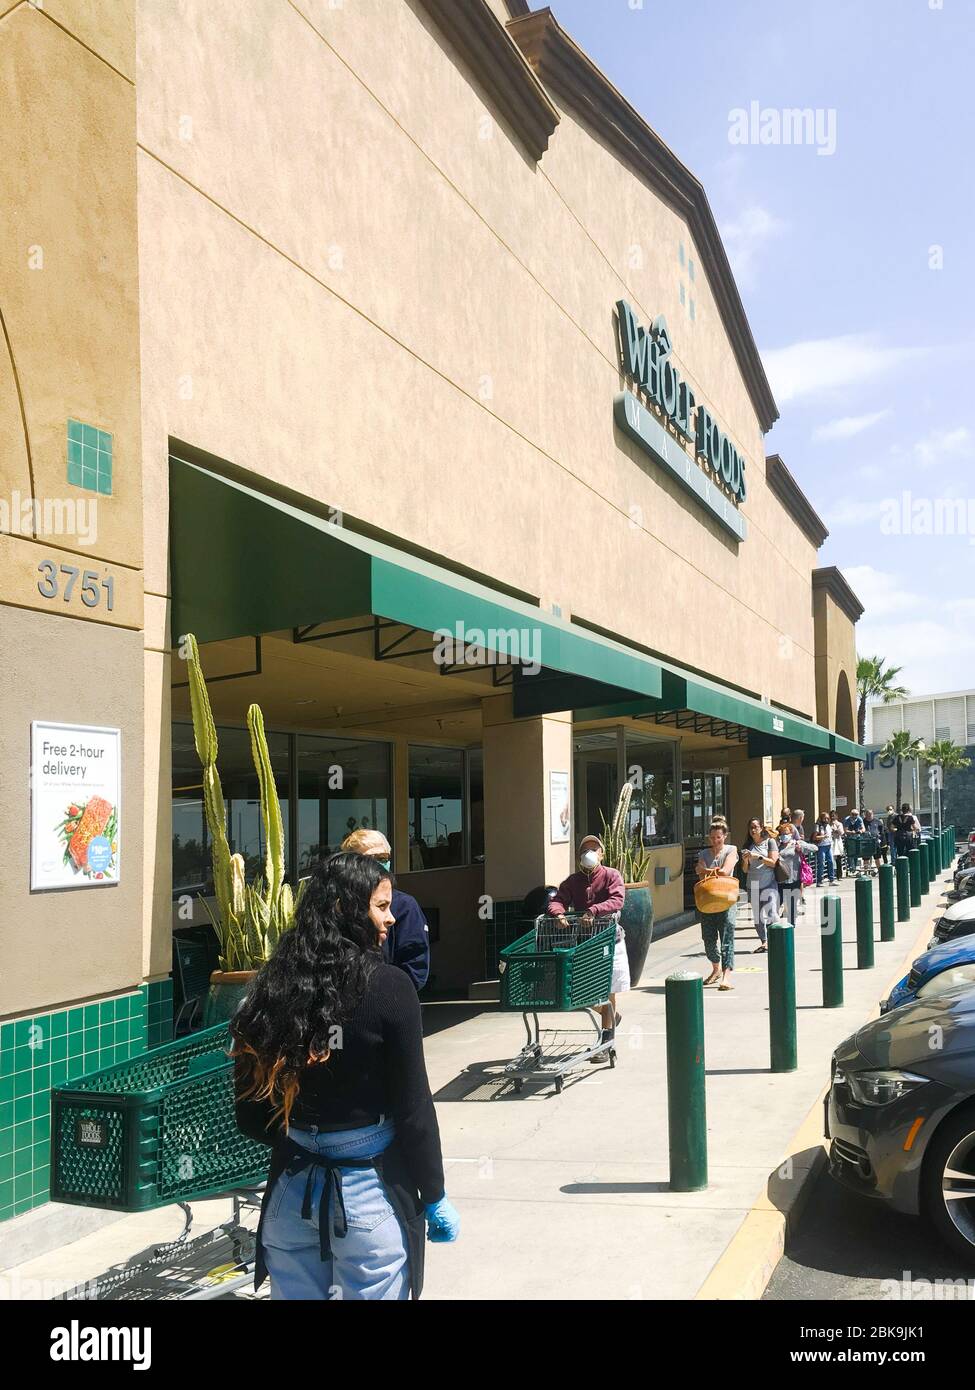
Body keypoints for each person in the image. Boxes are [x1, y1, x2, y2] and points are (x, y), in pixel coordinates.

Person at [231, 852, 458, 1300]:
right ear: (345, 909)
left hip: (291, 1192)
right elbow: (414, 1107)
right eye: (381, 906)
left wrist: (305, 1139)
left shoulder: (268, 988)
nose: (391, 918)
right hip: (367, 1195)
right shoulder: (391, 988)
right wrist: (433, 1193)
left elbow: (250, 1114)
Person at [547, 834, 627, 1061]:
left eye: (594, 849)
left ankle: (605, 1040)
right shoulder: (572, 881)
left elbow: (617, 900)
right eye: (584, 851)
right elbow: (557, 900)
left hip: (609, 940)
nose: (589, 854)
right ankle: (611, 1016)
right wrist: (558, 913)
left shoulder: (612, 876)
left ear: (602, 853)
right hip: (584, 942)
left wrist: (594, 910)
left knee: (607, 988)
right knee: (581, 991)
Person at [340, 829, 430, 991]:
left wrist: (387, 996)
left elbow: (415, 966)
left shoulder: (404, 906)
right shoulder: (335, 905)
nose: (389, 919)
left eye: (382, 858)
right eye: (367, 860)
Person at [696, 820, 739, 989]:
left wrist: (706, 870)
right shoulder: (703, 853)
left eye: (719, 837)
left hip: (727, 898)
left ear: (725, 836)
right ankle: (716, 969)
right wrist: (705, 871)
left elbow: (724, 871)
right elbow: (700, 877)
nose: (715, 840)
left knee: (727, 937)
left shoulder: (731, 849)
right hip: (707, 900)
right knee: (708, 938)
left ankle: (726, 976)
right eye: (712, 837)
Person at [741, 818, 780, 952]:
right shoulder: (748, 845)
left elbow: (773, 862)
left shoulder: (770, 842)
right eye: (751, 827)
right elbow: (745, 870)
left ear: (761, 828)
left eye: (756, 827)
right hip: (753, 885)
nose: (753, 830)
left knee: (772, 913)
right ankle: (764, 942)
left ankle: (774, 939)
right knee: (758, 916)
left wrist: (758, 856)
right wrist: (746, 860)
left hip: (769, 883)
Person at [776, 815, 802, 925]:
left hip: (794, 878)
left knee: (791, 904)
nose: (784, 835)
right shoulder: (777, 846)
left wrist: (800, 847)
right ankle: (772, 924)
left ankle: (792, 925)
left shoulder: (795, 844)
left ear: (791, 834)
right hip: (781, 879)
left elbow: (814, 848)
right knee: (776, 903)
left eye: (786, 833)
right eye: (782, 833)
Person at [813, 810, 836, 886]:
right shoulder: (818, 826)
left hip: (828, 845)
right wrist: (823, 836)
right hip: (821, 846)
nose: (826, 820)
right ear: (821, 818)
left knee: (831, 862)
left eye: (827, 818)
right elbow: (815, 837)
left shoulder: (828, 826)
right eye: (824, 818)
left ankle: (831, 880)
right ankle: (819, 881)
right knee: (821, 863)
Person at [862, 809, 882, 876]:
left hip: (875, 842)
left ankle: (880, 871)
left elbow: (881, 831)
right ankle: (866, 872)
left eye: (870, 814)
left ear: (872, 814)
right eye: (867, 815)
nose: (869, 816)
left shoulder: (877, 821)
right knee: (866, 858)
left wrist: (882, 840)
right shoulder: (863, 821)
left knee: (877, 858)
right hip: (866, 842)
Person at [830, 810, 846, 878]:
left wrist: (835, 830)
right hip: (831, 842)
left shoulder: (839, 824)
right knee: (831, 859)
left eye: (834, 815)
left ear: (836, 816)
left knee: (838, 859)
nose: (832, 817)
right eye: (831, 816)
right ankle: (831, 874)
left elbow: (841, 832)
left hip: (837, 842)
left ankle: (839, 875)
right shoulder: (828, 824)